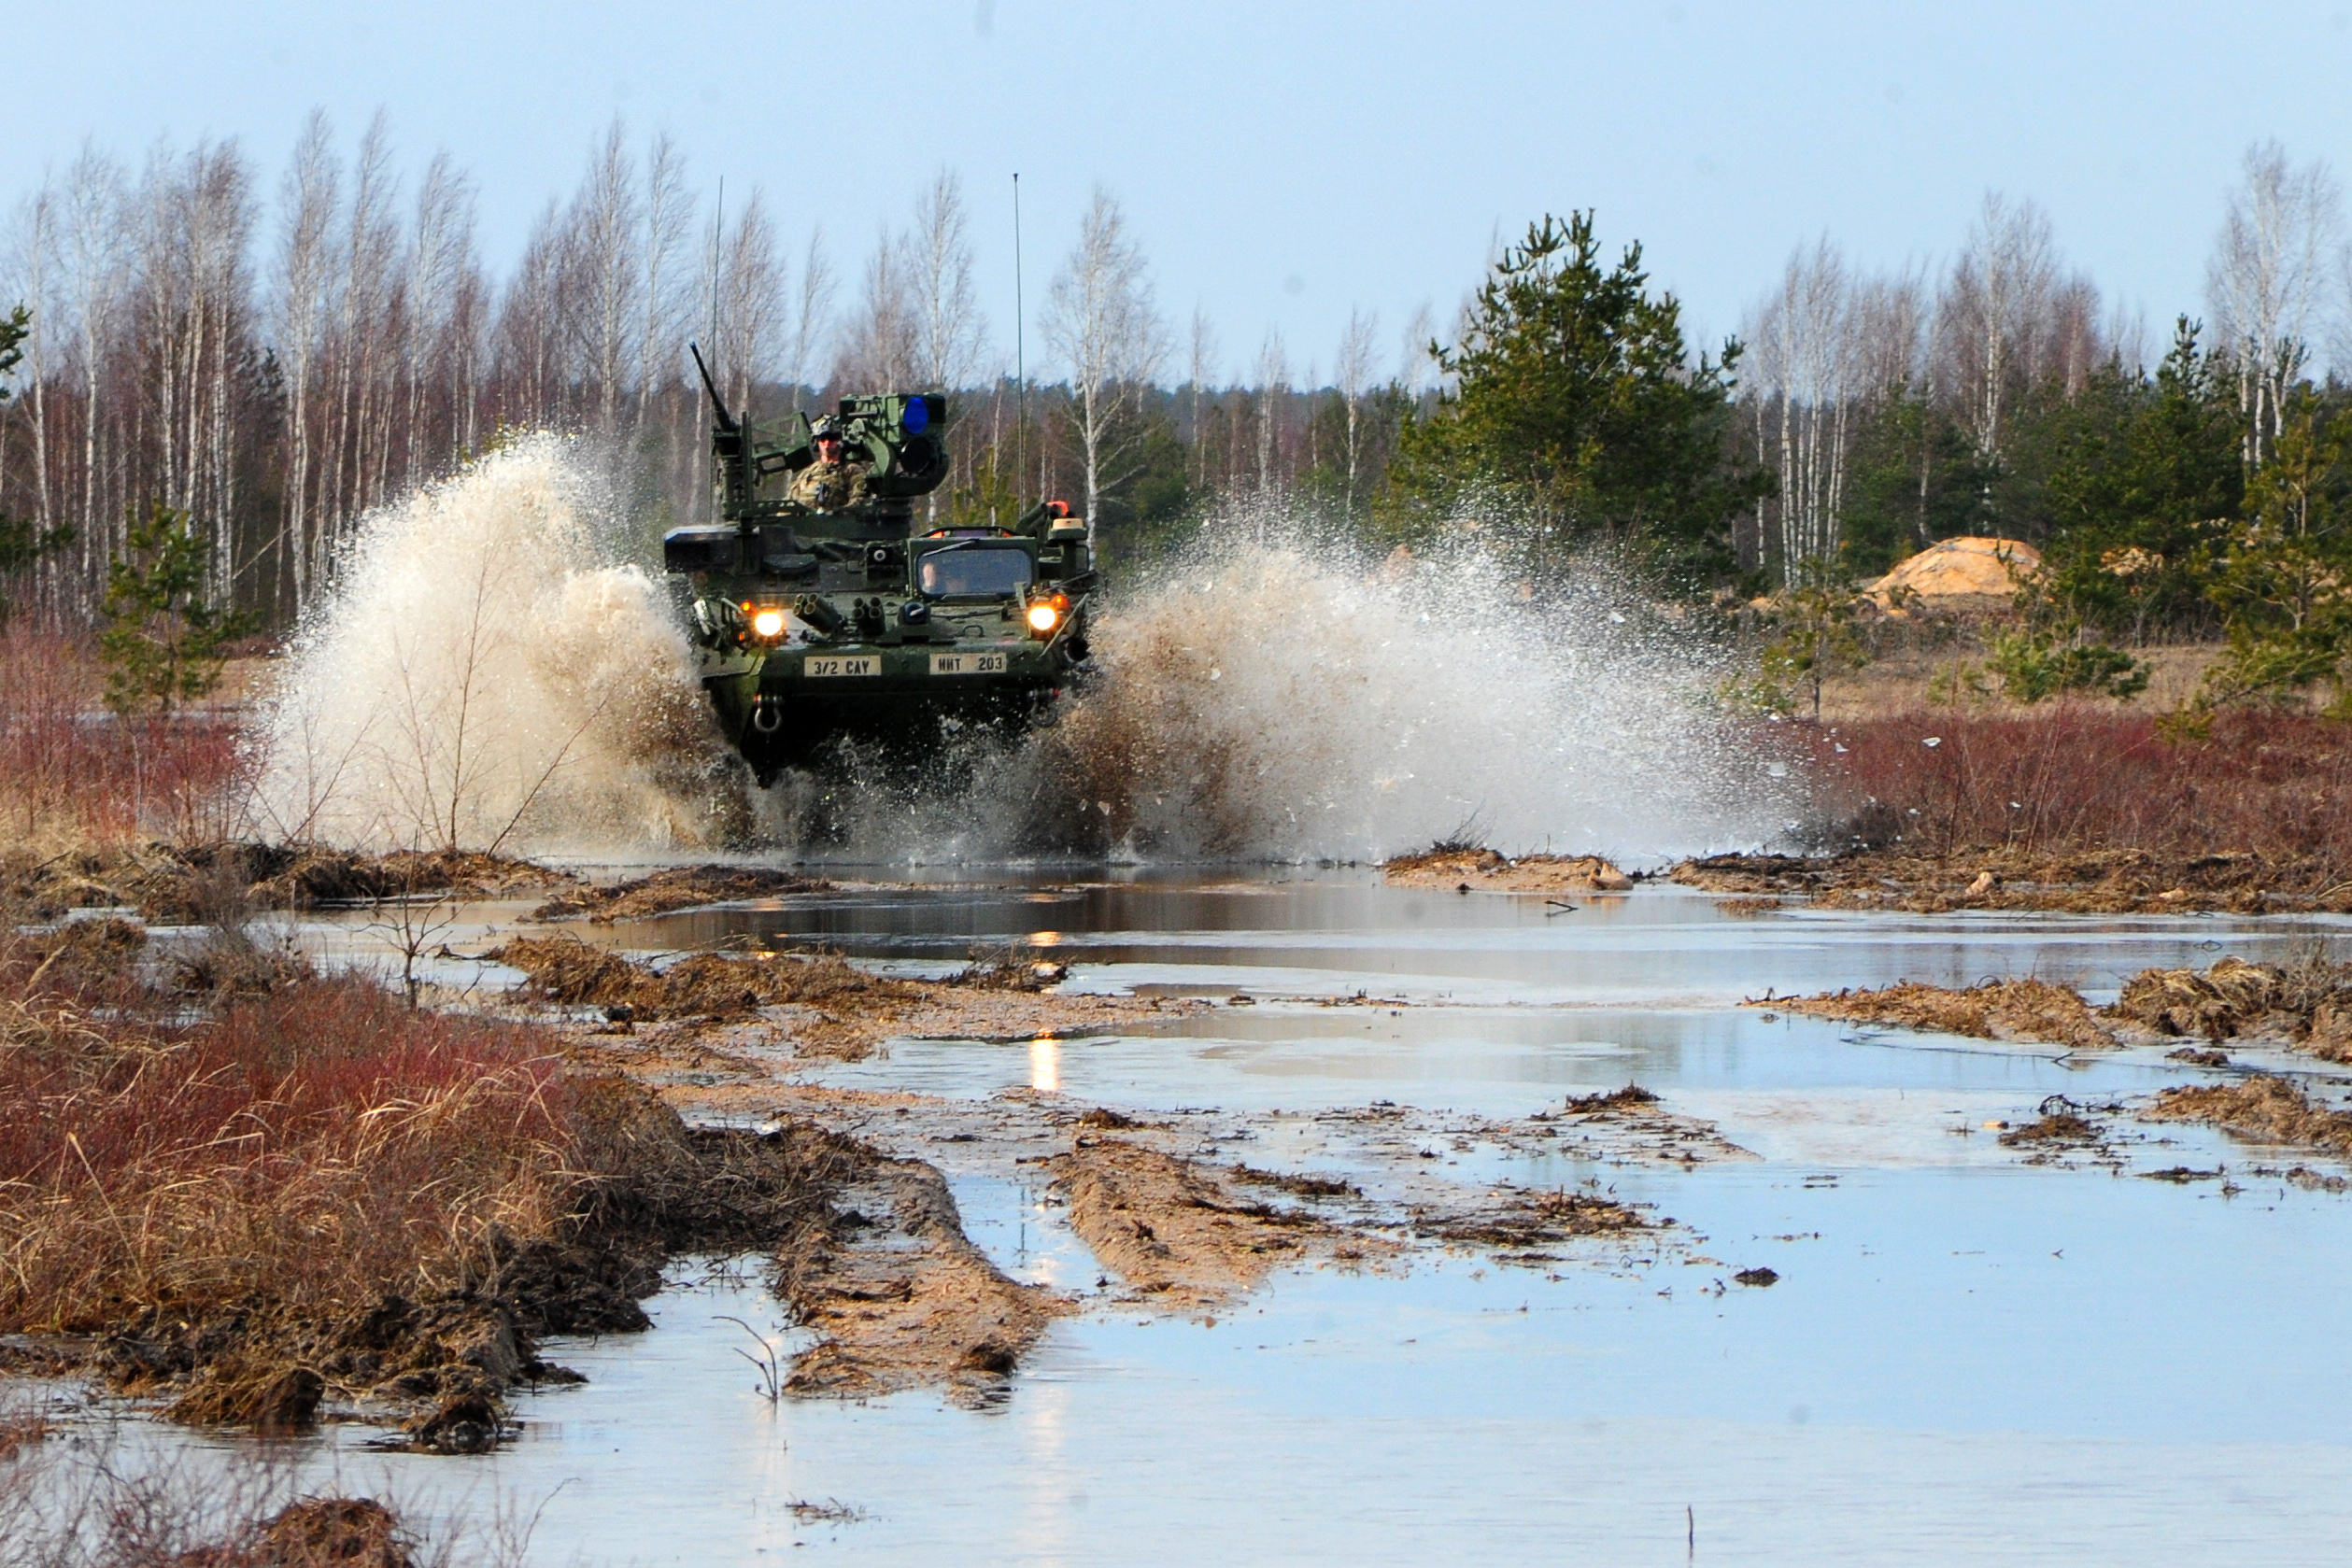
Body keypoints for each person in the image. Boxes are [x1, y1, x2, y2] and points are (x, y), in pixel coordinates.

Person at [787, 417, 870, 510]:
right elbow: (790, 505)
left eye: (832, 438)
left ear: (839, 440)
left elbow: (859, 501)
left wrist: (837, 515)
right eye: (822, 438)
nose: (827, 443)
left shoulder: (851, 471)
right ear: (816, 442)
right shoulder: (807, 473)